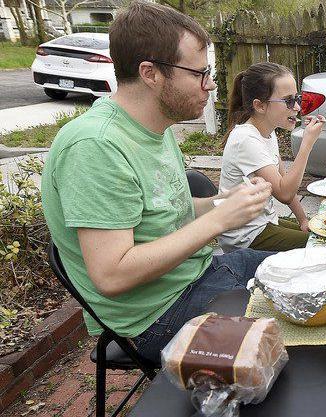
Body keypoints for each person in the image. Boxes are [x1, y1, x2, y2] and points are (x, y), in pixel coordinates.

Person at [41, 1, 274, 363]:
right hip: (158, 316)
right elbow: (112, 275)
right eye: (200, 73)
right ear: (150, 73)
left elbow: (165, 209)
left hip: (201, 273)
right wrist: (218, 220)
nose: (211, 85)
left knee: (315, 271)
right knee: (294, 332)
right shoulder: (95, 146)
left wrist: (224, 202)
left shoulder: (155, 126)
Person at [219, 62, 326, 252]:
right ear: (260, 105)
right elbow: (284, 193)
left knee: (324, 233)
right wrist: (307, 144)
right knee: (324, 245)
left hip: (263, 222)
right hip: (245, 236)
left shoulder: (268, 132)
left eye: (297, 99)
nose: (297, 107)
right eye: (288, 101)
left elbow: (284, 181)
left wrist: (303, 220)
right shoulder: (246, 139)